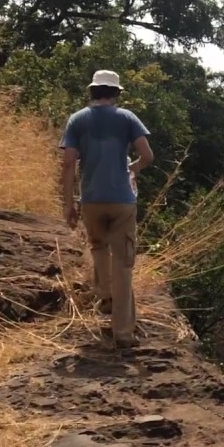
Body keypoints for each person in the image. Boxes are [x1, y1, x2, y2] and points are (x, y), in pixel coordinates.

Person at [59, 69, 154, 349]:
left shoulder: (77, 120)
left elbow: (68, 165)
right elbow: (147, 156)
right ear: (116, 93)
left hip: (90, 199)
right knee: (123, 265)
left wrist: (69, 203)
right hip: (122, 201)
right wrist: (132, 168)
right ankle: (123, 333)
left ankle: (105, 296)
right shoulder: (127, 118)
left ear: (92, 91)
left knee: (99, 248)